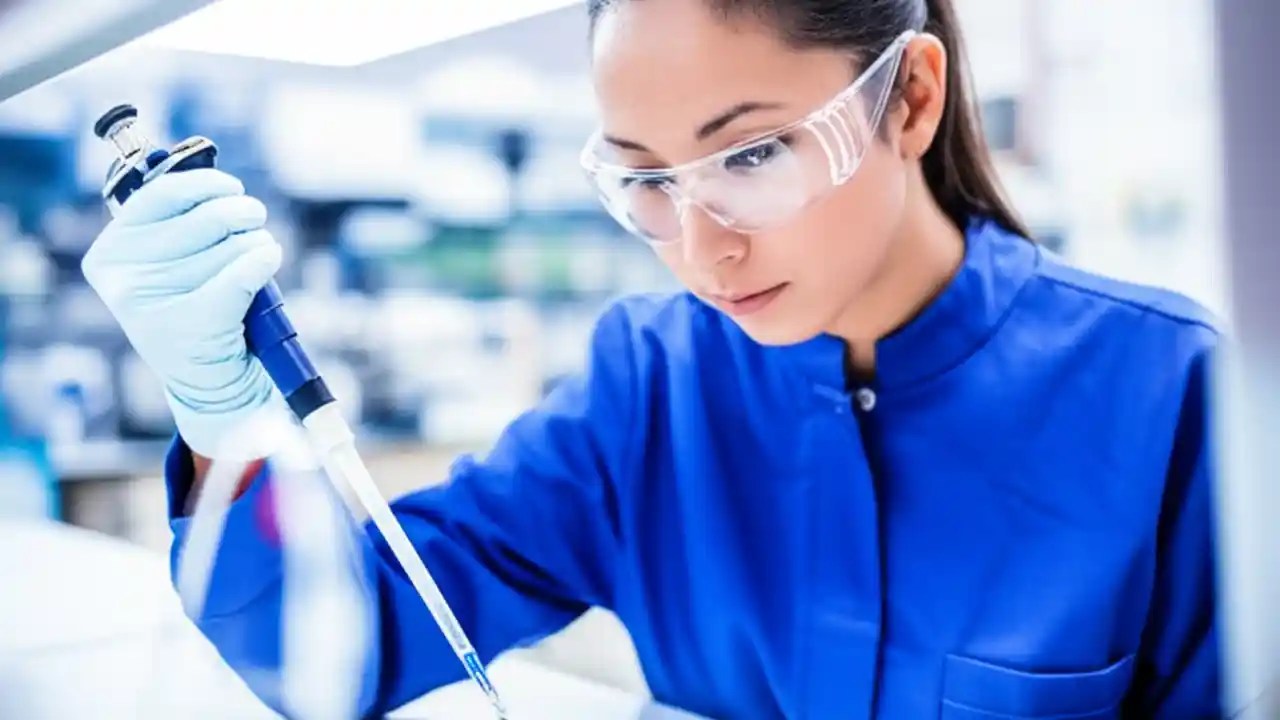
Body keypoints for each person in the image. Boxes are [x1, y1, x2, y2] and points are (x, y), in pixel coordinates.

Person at [82, 0, 1223, 717]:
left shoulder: (1164, 395)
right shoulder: (648, 386)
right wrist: (226, 423)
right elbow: (346, 654)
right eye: (644, 179)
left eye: (754, 153)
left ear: (909, 98)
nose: (702, 246)